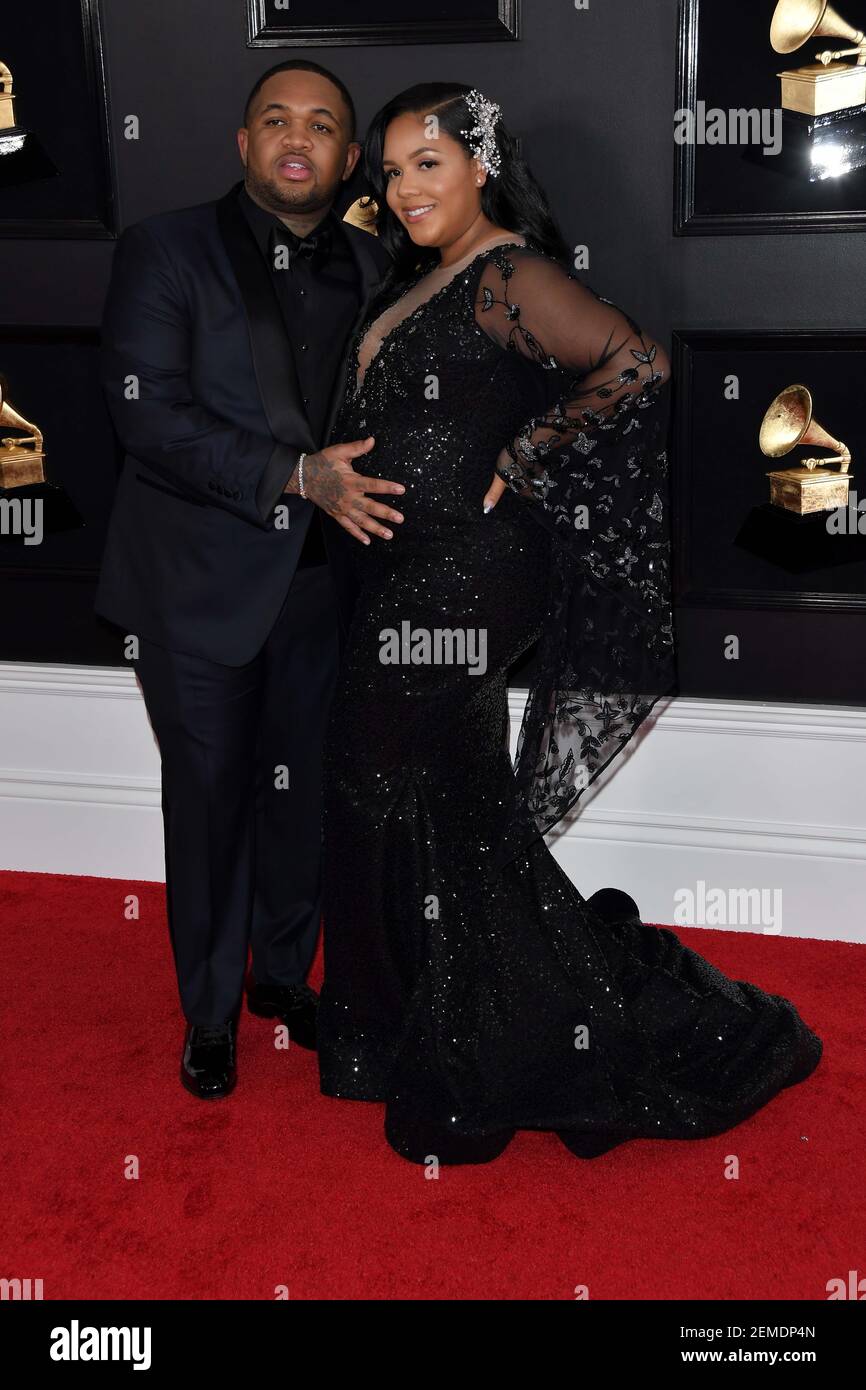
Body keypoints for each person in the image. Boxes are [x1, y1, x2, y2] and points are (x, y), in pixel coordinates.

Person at [315, 82, 823, 1164]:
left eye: (428, 164)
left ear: (479, 167)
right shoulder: (426, 275)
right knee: (426, 795)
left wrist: (526, 453)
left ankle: (481, 1027)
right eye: (392, 170)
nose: (404, 188)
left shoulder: (507, 272)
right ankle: (424, 1015)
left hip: (467, 575)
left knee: (387, 781)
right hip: (403, 571)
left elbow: (635, 365)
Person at [95, 61, 403, 1098]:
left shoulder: (375, 263)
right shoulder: (164, 249)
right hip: (196, 587)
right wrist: (291, 474)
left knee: (303, 799)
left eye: (321, 125)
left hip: (327, 585)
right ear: (242, 142)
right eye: (276, 118)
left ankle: (281, 976)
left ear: (348, 159)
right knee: (213, 801)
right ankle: (212, 1010)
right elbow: (149, 415)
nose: (296, 137)